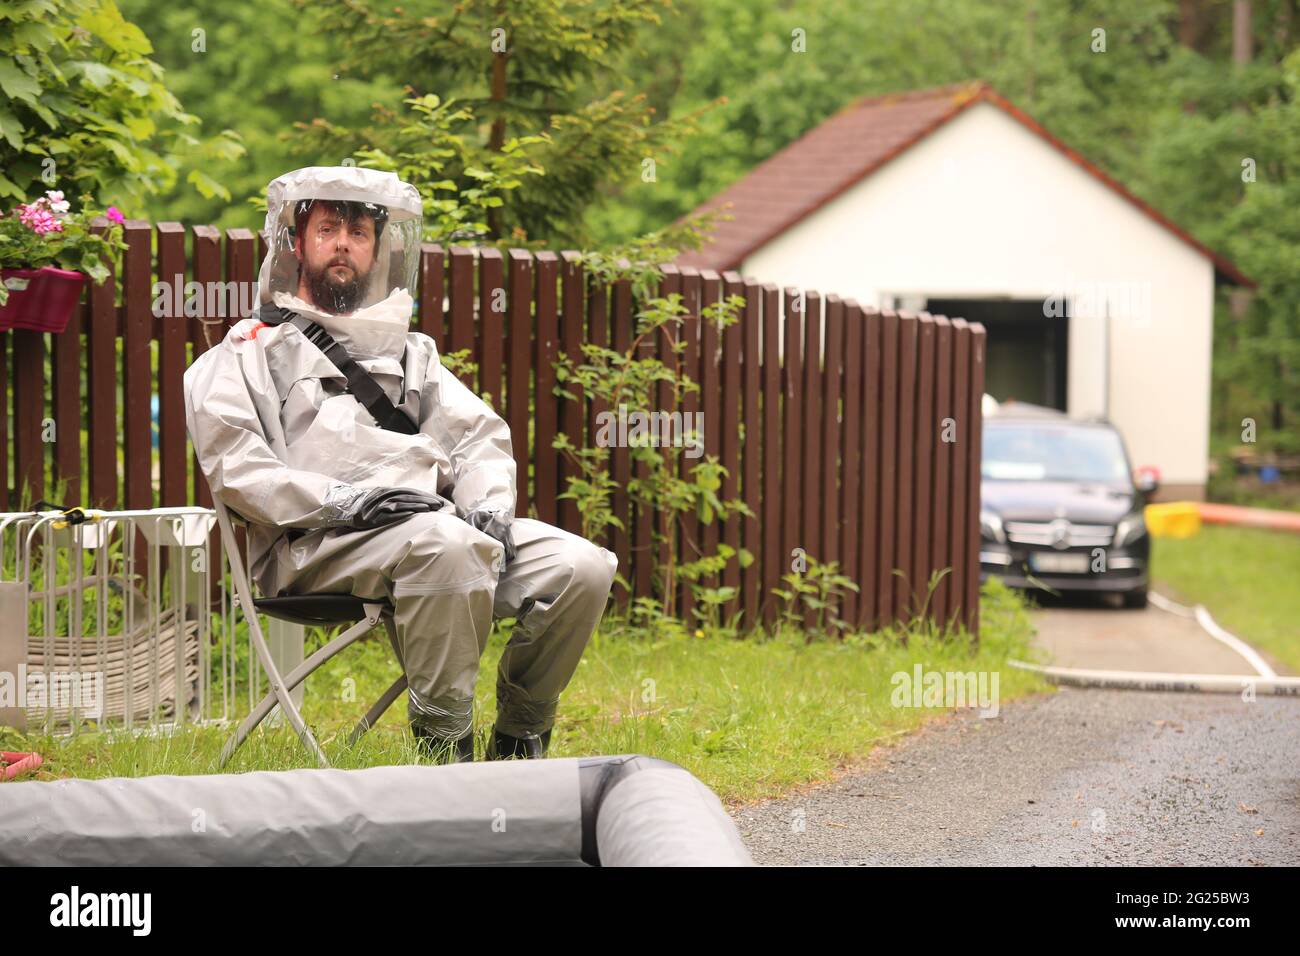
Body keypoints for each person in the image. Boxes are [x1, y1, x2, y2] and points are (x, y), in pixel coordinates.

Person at [183, 166, 617, 763]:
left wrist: (489, 511)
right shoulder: (245, 353)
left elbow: (479, 440)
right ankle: (445, 752)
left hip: (437, 528)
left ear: (379, 249)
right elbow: (238, 471)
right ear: (295, 243)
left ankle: (519, 742)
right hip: (313, 547)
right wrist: (350, 501)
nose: (343, 243)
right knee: (447, 545)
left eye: (358, 232)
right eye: (328, 227)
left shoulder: (412, 354)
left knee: (582, 566)